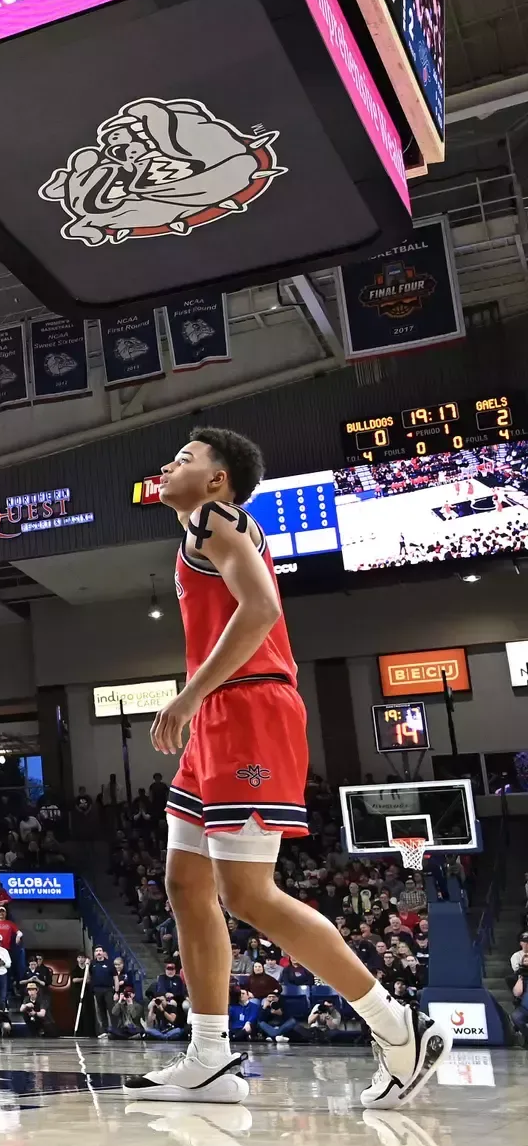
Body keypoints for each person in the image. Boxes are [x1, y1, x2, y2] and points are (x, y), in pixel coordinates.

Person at [124, 428, 449, 1109]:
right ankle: (209, 1055)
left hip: (247, 710)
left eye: (185, 457)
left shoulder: (218, 518)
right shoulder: (201, 529)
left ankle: (398, 1029)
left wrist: (187, 695)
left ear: (217, 480)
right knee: (186, 881)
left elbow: (263, 609)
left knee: (247, 893)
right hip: (219, 716)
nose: (168, 463)